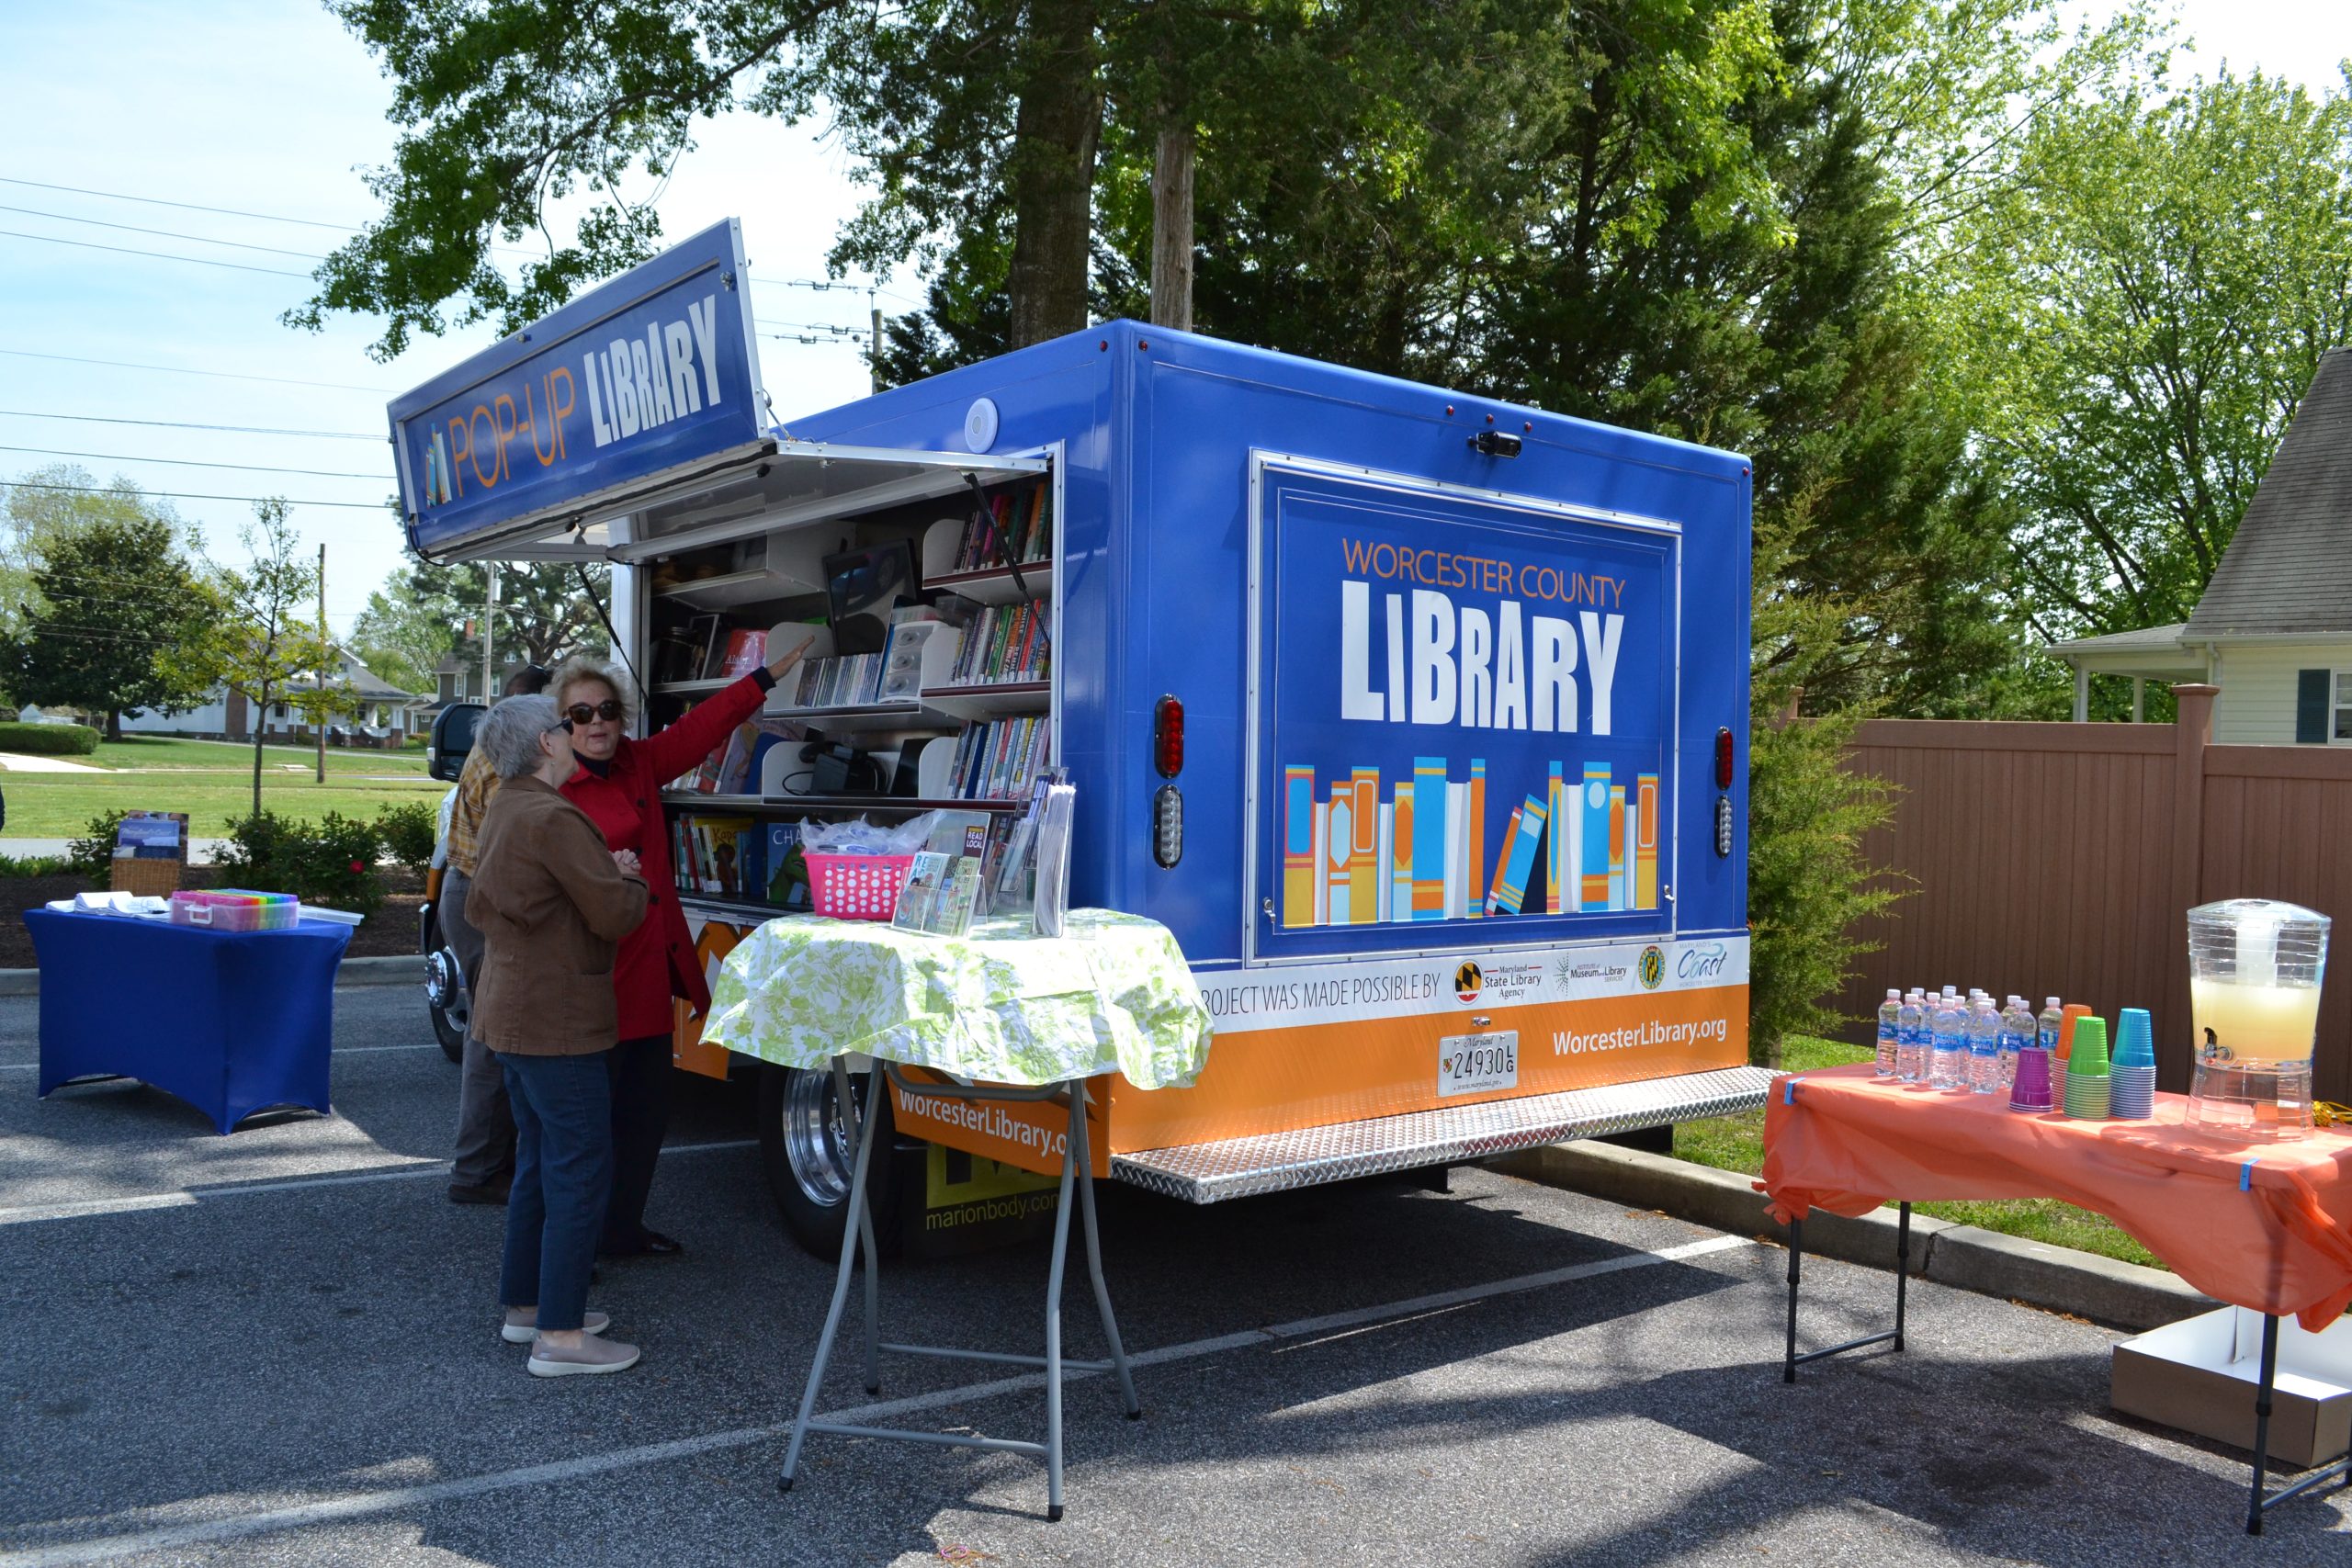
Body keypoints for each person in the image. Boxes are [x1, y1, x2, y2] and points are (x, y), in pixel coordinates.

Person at [550, 640, 804, 1258]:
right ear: (561, 725)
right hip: (592, 978)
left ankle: (621, 1229)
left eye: (607, 710)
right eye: (581, 714)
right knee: (589, 1130)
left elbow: (701, 728)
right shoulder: (554, 785)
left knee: (644, 1118)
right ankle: (574, 1249)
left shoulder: (640, 762)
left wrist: (765, 675)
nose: (598, 724)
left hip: (648, 973)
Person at [467, 694, 650, 1377]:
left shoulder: (508, 804)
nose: (577, 732)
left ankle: (528, 1308)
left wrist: (606, 881)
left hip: (510, 1012)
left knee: (541, 1162)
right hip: (557, 1020)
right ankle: (562, 1336)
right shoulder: (552, 814)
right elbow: (611, 914)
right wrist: (629, 880)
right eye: (565, 724)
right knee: (579, 1168)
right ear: (547, 743)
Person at [442, 663, 553, 1204]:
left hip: (465, 891)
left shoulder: (496, 749)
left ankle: (486, 1164)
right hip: (481, 896)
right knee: (491, 1036)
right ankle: (478, 1171)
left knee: (490, 1032)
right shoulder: (514, 770)